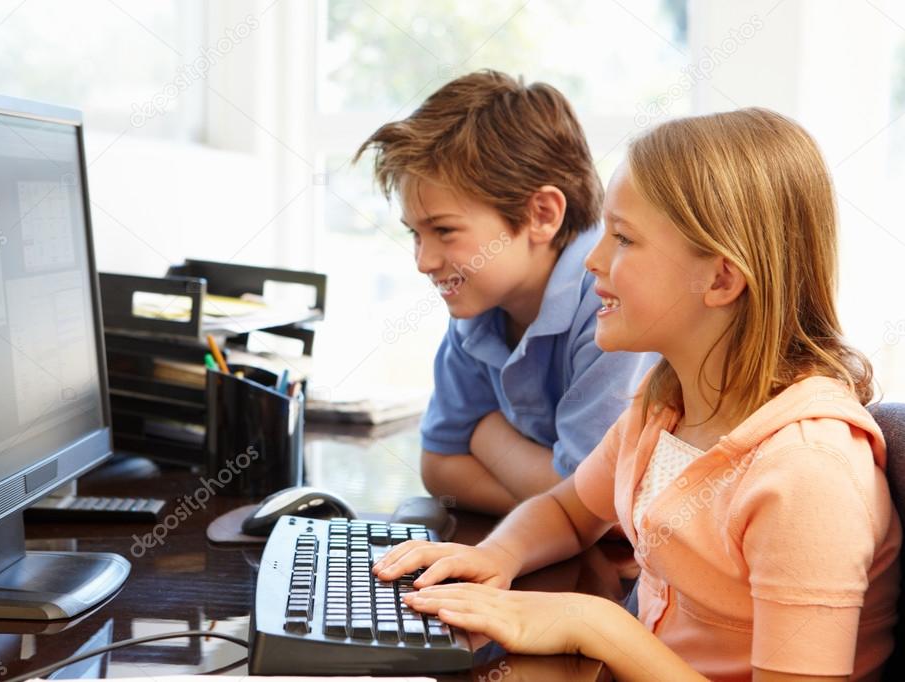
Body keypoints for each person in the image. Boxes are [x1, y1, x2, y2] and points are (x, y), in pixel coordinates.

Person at [373, 108, 901, 681]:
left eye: (622, 238)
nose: (594, 260)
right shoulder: (666, 403)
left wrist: (593, 623)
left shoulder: (806, 473)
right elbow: (568, 511)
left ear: (720, 279)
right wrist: (495, 556)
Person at [354, 70, 655, 514]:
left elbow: (601, 507)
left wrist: (484, 434)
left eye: (443, 230)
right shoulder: (478, 311)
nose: (423, 261)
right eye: (415, 234)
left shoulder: (609, 302)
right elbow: (439, 468)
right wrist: (559, 504)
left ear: (541, 214)